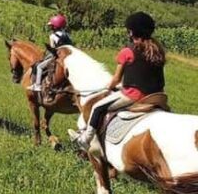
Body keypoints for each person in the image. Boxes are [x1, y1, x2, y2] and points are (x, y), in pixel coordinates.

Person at [69, 12, 166, 150]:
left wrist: (110, 87)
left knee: (97, 107)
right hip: (158, 95)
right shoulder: (158, 49)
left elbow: (116, 79)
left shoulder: (127, 51)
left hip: (135, 95)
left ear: (131, 32)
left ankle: (86, 139)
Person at [31, 14, 73, 92]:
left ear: (55, 27)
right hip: (69, 55)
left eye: (51, 26)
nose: (50, 27)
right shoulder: (68, 35)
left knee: (39, 66)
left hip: (58, 55)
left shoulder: (52, 36)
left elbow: (52, 48)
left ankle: (37, 85)